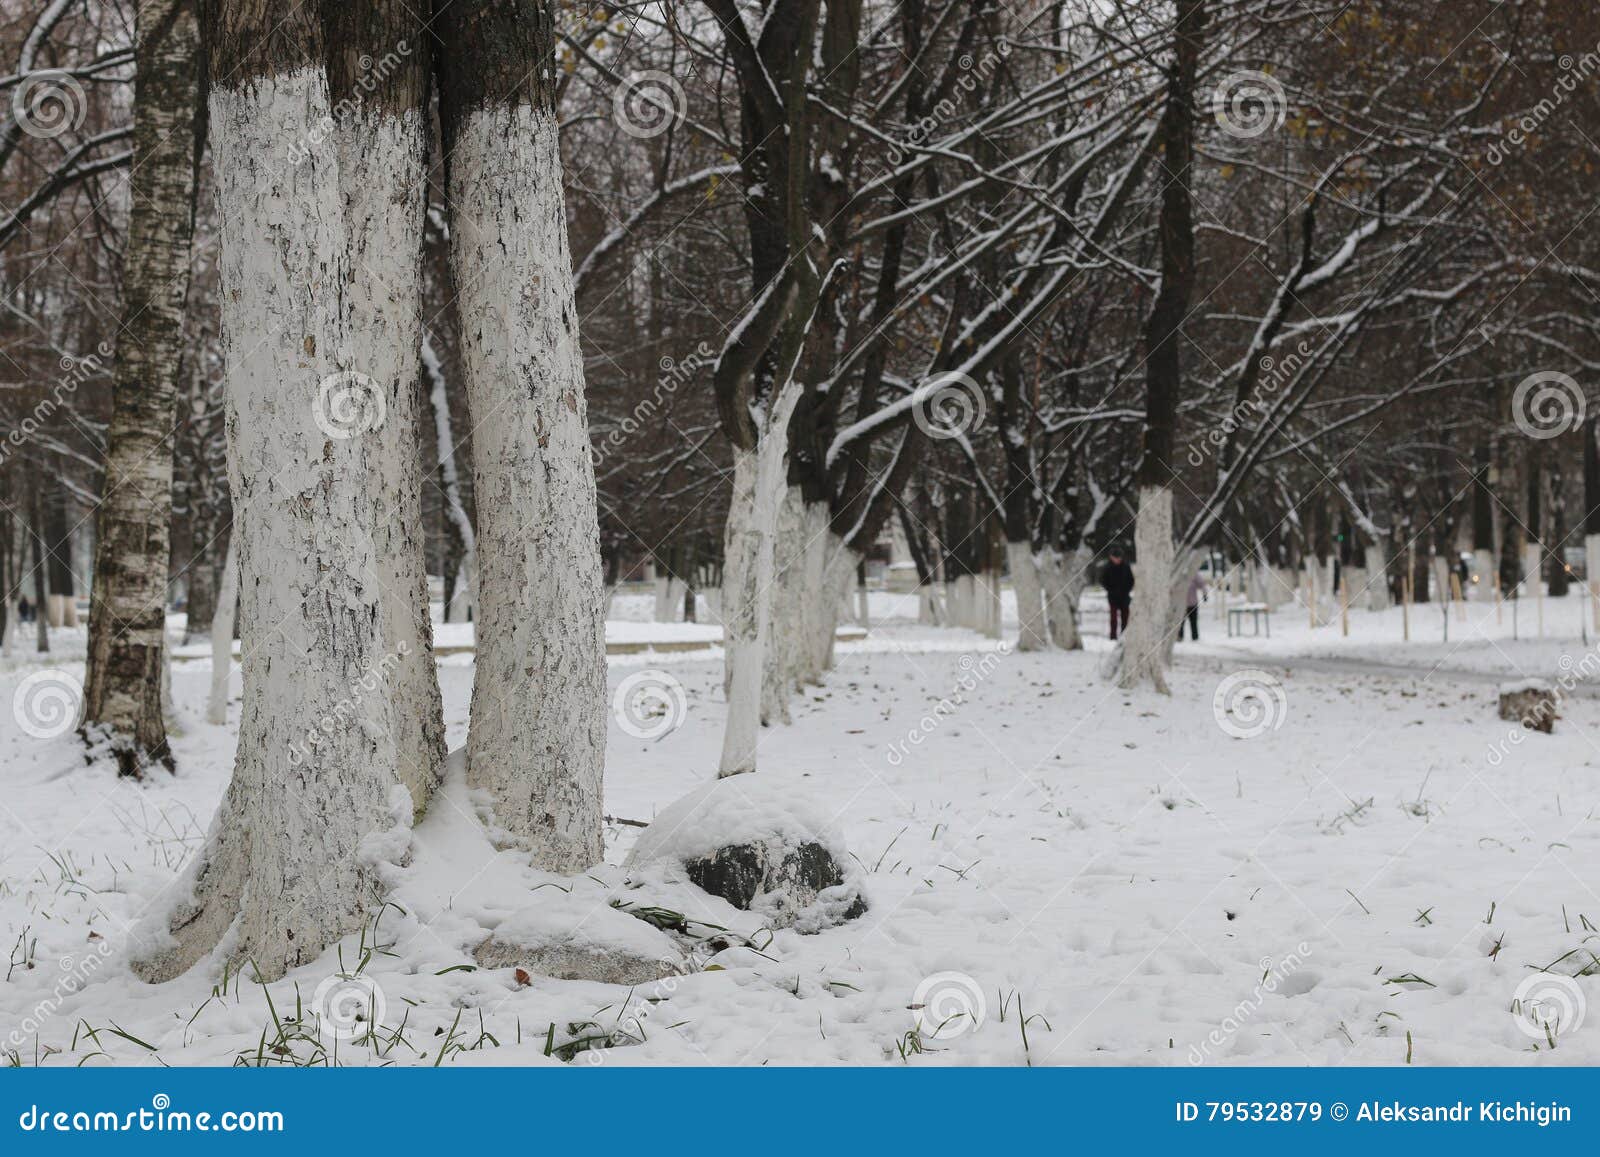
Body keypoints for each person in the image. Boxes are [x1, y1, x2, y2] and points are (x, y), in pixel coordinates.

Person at [1100, 546, 1134, 641]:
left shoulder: (1126, 566)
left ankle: (1124, 636)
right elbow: (1103, 581)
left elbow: (1131, 580)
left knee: (1125, 618)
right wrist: (1110, 590)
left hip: (1124, 597)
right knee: (1113, 618)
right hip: (1113, 597)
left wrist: (1127, 590)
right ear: (1111, 557)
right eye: (1115, 557)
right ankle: (1113, 636)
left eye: (1119, 557)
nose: (1117, 559)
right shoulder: (1107, 567)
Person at [1184, 572, 1207, 641]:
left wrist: (1205, 594)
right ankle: (1179, 636)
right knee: (1180, 623)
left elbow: (1202, 584)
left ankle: (1195, 636)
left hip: (1192, 603)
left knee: (1193, 621)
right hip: (1182, 605)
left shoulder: (1194, 574)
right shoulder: (1180, 573)